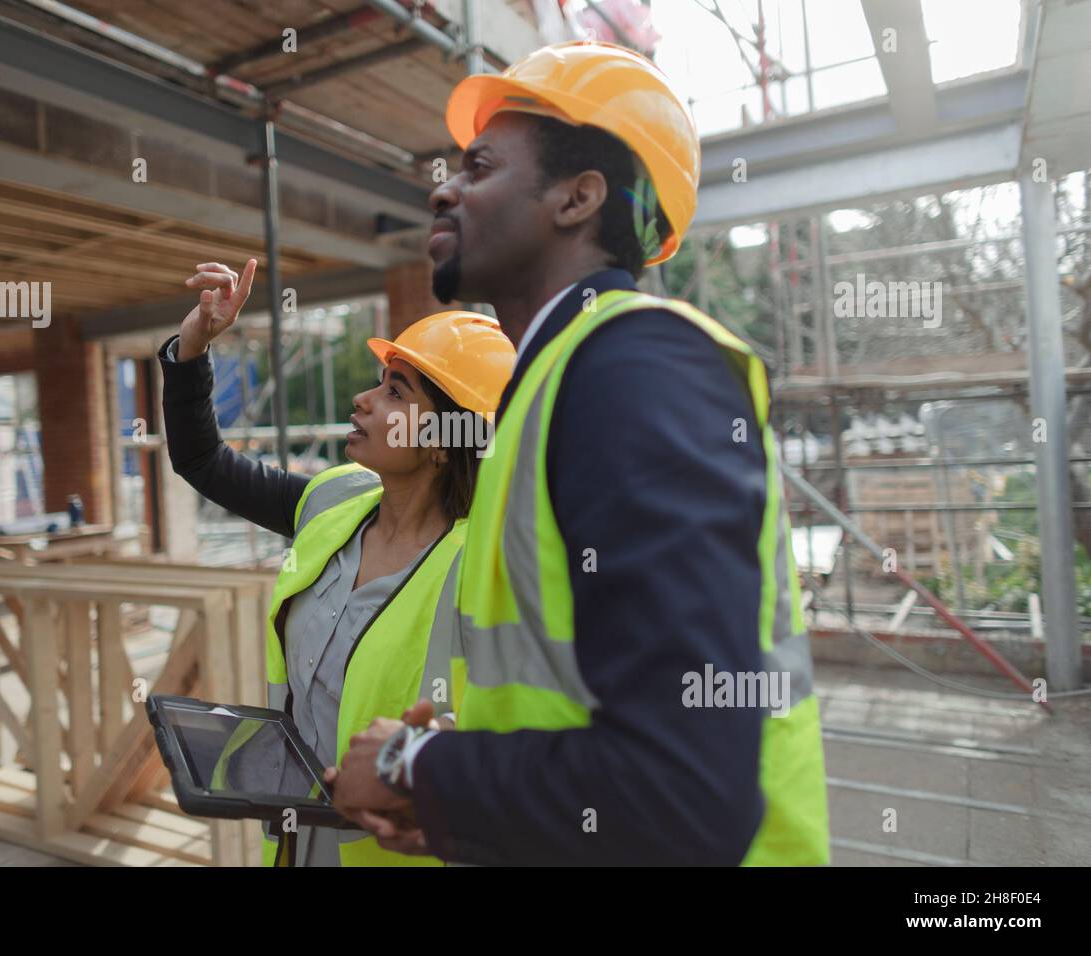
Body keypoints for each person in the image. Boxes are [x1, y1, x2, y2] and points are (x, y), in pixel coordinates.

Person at [327, 41, 830, 865]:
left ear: (577, 197)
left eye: (480, 166)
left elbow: (684, 788)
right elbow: (598, 708)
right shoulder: (561, 380)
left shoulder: (634, 368)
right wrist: (468, 772)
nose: (443, 187)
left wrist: (417, 766)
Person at [159, 257, 514, 866]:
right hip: (299, 841)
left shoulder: (488, 570)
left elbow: (519, 744)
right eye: (380, 382)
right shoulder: (335, 499)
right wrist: (193, 347)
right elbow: (204, 462)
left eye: (395, 392)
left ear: (443, 442)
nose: (363, 399)